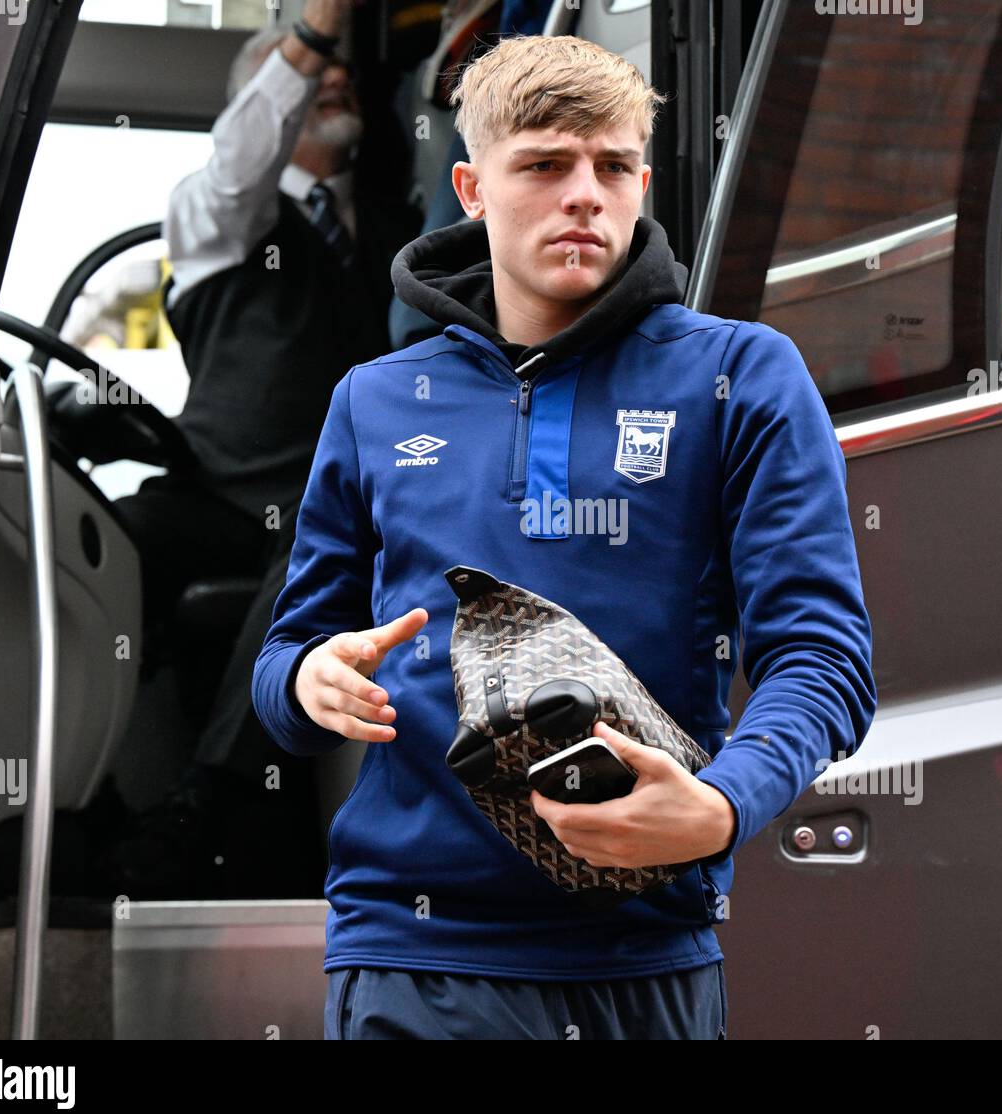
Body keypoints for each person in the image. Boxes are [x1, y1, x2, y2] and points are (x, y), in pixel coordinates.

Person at [252, 34, 878, 1039]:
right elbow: (285, 659)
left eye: (614, 165)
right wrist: (307, 680)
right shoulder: (374, 400)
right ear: (471, 186)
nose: (584, 194)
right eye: (544, 163)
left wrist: (720, 805)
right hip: (410, 958)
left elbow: (823, 658)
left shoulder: (745, 379)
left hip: (643, 959)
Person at [105, 0, 413, 897]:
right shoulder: (215, 214)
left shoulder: (407, 228)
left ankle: (210, 801)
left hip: (335, 507)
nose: (336, 78)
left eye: (340, 72)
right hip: (213, 496)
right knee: (106, 544)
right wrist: (309, 36)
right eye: (312, 76)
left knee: (325, 546)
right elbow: (242, 158)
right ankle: (85, 796)